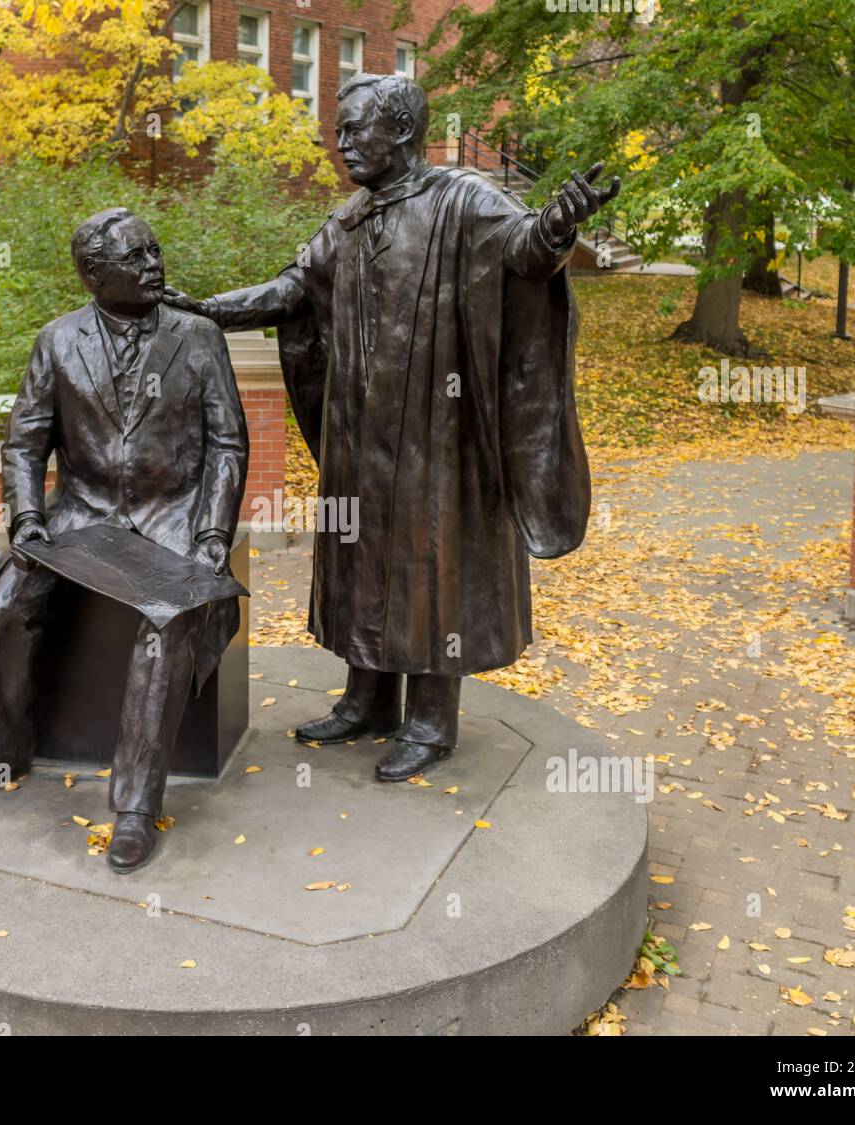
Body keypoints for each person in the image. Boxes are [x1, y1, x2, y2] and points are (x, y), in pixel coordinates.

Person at [165, 74, 618, 782]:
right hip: (359, 437)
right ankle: (367, 699)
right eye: (339, 130)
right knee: (360, 561)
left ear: (402, 132)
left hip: (439, 438)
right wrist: (204, 309)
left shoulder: (462, 200)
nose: (341, 142)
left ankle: (432, 719)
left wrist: (559, 225)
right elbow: (290, 290)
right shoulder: (347, 221)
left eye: (354, 129)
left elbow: (526, 253)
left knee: (432, 567)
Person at [0, 208, 248, 873]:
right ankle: (0, 750)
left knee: (167, 621)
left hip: (172, 517)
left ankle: (135, 804)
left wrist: (213, 531)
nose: (154, 265)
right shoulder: (56, 341)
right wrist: (26, 520)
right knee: (9, 598)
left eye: (156, 250)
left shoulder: (199, 337)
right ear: (93, 274)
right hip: (80, 514)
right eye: (136, 258)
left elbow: (227, 444)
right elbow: (22, 443)